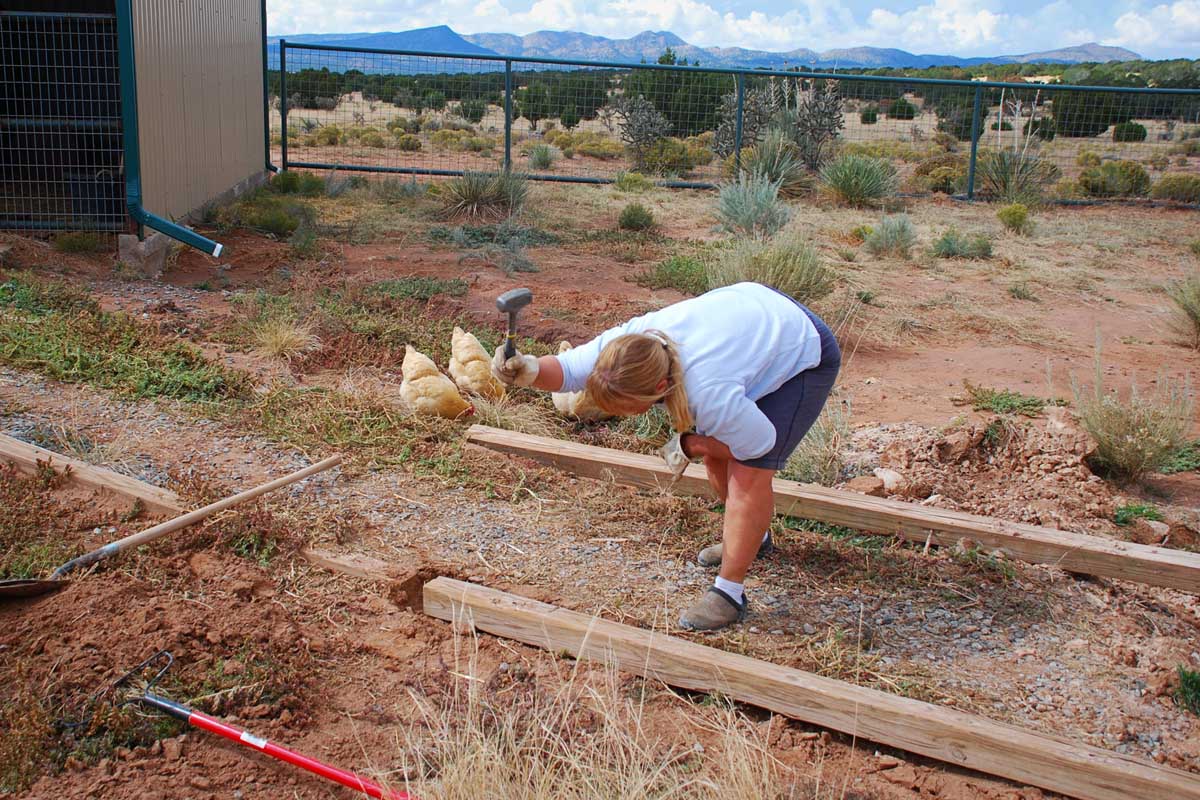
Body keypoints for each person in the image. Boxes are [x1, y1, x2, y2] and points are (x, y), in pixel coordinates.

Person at [490, 281, 841, 631]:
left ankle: (729, 594)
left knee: (748, 474)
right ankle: (754, 539)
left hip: (802, 345)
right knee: (717, 438)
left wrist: (694, 445)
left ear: (660, 388)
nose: (629, 416)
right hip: (749, 317)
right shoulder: (628, 347)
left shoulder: (708, 394)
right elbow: (567, 370)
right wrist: (529, 370)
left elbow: (762, 445)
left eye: (631, 408)